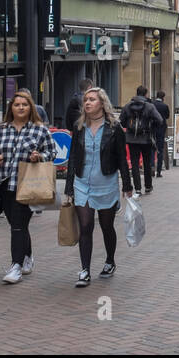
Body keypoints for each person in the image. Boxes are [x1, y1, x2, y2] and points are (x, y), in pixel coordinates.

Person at [63, 86, 133, 287]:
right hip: (82, 183)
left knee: (106, 226)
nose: (87, 103)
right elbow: (73, 157)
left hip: (106, 183)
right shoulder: (79, 127)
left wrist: (127, 185)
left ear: (102, 103)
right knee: (85, 226)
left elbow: (121, 158)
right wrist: (69, 188)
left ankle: (110, 261)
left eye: (92, 99)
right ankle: (84, 270)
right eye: (85, 100)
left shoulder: (114, 127)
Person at [0, 89, 56, 283]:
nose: (20, 108)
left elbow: (51, 152)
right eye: (17, 104)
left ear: (31, 108)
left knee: (17, 226)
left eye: (24, 105)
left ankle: (15, 266)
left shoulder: (39, 129)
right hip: (5, 184)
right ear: (11, 107)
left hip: (29, 185)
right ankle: (27, 256)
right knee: (17, 225)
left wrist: (39, 156)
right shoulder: (1, 129)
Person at [120, 85, 162, 195]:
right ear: (146, 94)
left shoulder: (127, 106)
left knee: (134, 163)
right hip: (146, 138)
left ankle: (137, 189)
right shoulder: (149, 107)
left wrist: (129, 128)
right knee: (147, 162)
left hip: (131, 139)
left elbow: (121, 121)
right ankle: (148, 186)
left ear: (136, 93)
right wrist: (151, 127)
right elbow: (160, 120)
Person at [152, 90, 171, 178]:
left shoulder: (152, 105)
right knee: (160, 149)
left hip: (152, 129)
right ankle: (159, 171)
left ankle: (151, 168)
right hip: (161, 129)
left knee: (151, 149)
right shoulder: (165, 106)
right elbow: (167, 116)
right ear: (163, 97)